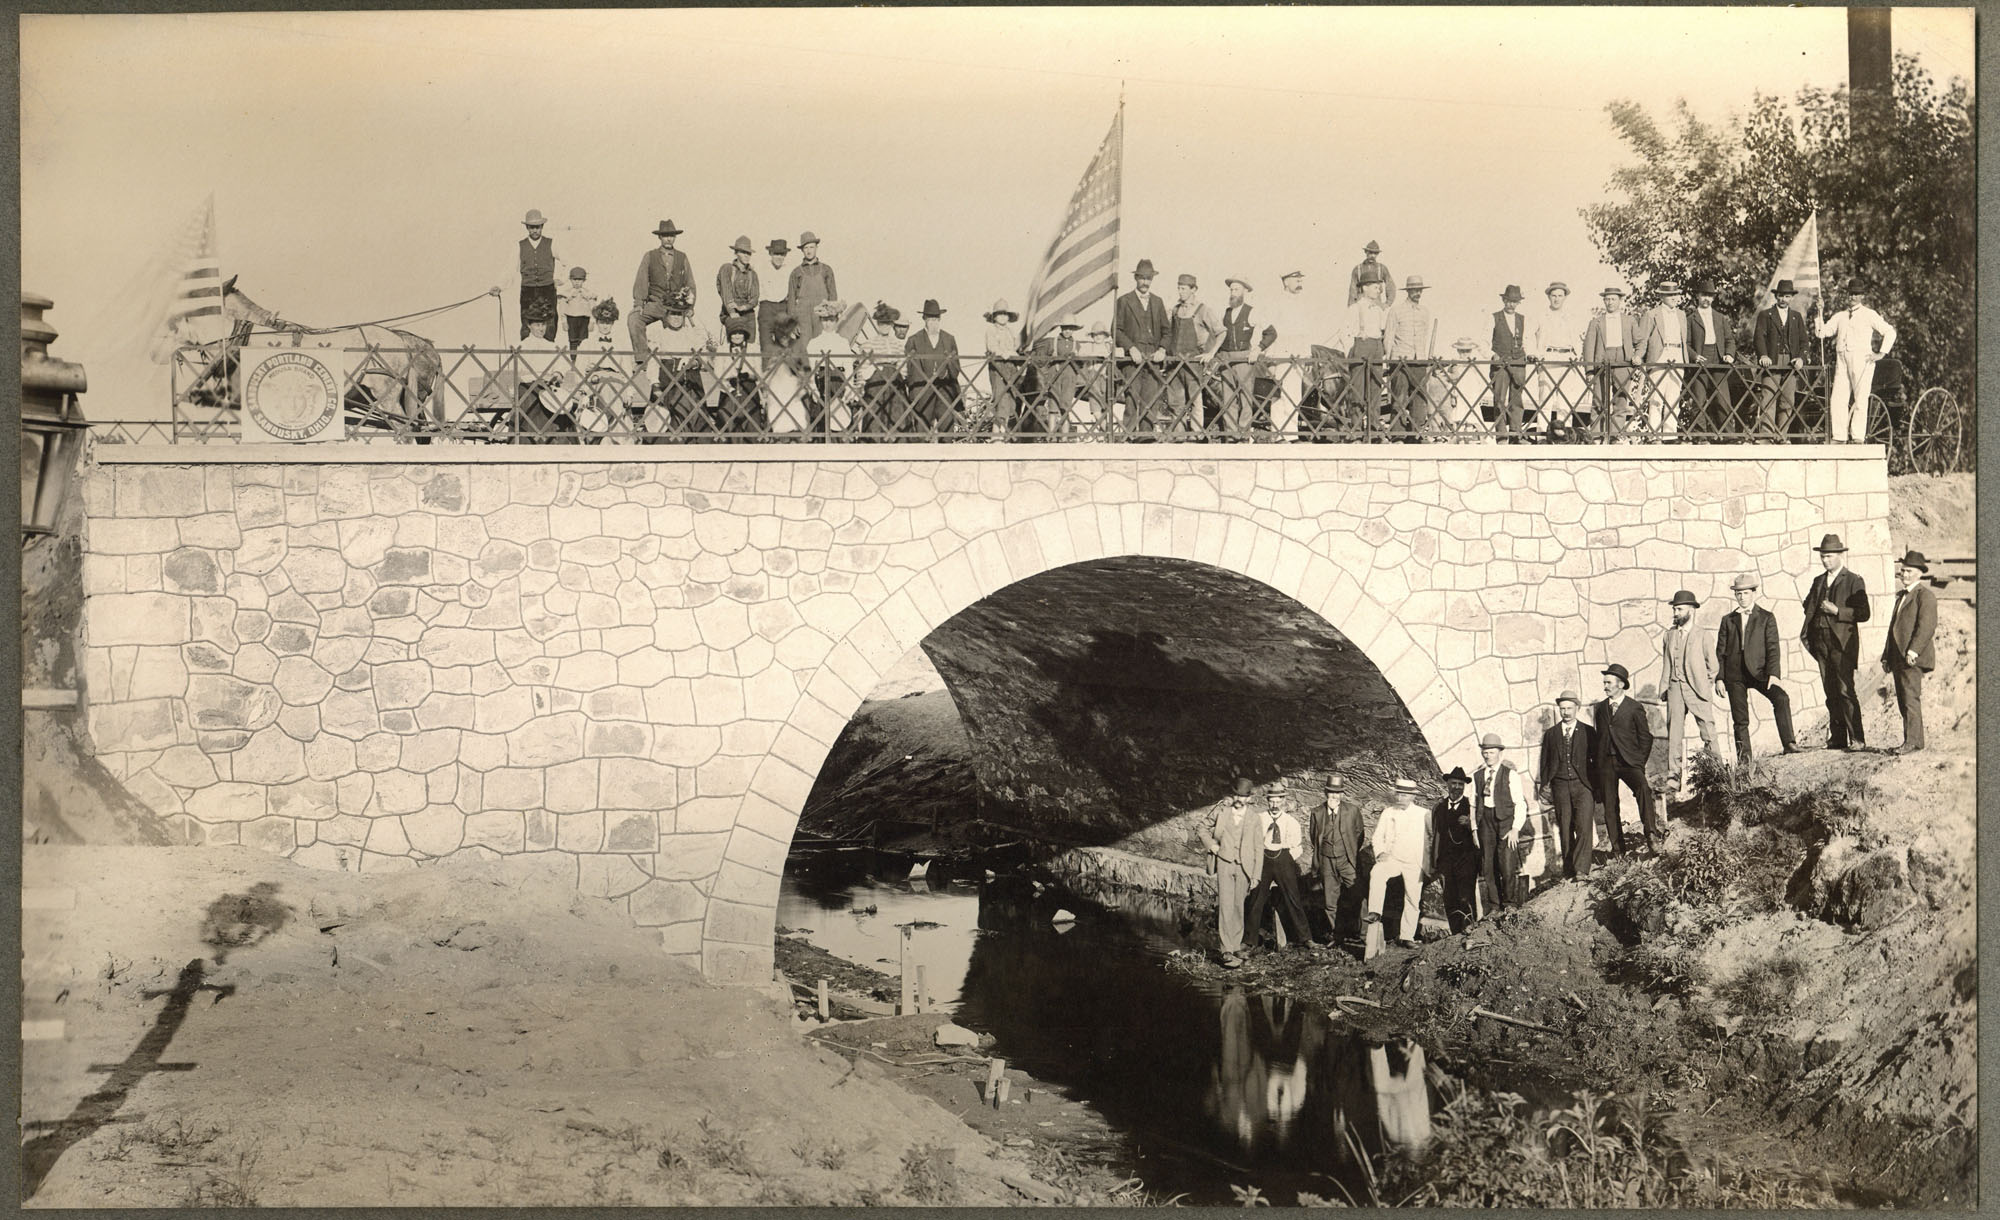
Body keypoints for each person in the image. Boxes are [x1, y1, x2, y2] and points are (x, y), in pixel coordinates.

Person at [1717, 572, 1800, 767]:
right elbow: (1720, 651)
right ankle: (1745, 761)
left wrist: (1773, 674)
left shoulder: (1766, 617)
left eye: (1746, 593)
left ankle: (1789, 743)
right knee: (1740, 719)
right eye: (1738, 594)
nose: (1742, 597)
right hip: (1734, 674)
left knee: (1781, 698)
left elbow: (1773, 647)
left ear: (1754, 593)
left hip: (1760, 672)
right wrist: (1719, 678)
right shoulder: (1727, 620)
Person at [1798, 531, 1872, 750]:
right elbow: (1808, 605)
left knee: (1845, 690)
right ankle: (1837, 738)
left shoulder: (1853, 580)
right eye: (1823, 556)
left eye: (1829, 556)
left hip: (1841, 643)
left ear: (1840, 555)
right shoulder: (1818, 581)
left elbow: (1864, 613)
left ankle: (1857, 739)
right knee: (1830, 691)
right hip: (1820, 642)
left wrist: (1837, 610)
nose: (1825, 559)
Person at [1656, 588, 1724, 793]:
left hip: (1697, 689)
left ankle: (1717, 773)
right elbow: (1666, 663)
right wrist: (1664, 687)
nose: (1675, 613)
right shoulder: (1669, 636)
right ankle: (1673, 777)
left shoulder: (1703, 635)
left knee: (1708, 730)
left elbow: (1713, 666)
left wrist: (1704, 683)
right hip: (1675, 687)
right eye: (1675, 609)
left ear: (1691, 610)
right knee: (1674, 733)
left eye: (1680, 609)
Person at [1200, 777, 1269, 969]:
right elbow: (1201, 828)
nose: (1240, 799)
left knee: (1239, 906)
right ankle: (1226, 950)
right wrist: (1212, 845)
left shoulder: (1254, 818)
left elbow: (1258, 848)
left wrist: (1256, 875)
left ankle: (1236, 945)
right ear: (1233, 795)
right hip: (1224, 863)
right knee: (1225, 905)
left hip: (1244, 867)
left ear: (1250, 798)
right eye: (1237, 795)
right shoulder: (1222, 811)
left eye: (1244, 796)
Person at [1815, 289, 1898, 444]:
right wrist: (1820, 312)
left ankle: (1858, 437)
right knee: (1838, 399)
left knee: (1860, 399)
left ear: (1862, 296)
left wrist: (1881, 353)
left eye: (1856, 294)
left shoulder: (1869, 314)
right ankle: (1839, 437)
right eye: (1850, 293)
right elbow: (1822, 332)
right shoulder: (1840, 316)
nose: (1852, 297)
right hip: (1842, 362)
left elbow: (1889, 332)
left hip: (1862, 362)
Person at [1593, 663, 1658, 855]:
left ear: (1620, 684)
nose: (1605, 686)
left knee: (1644, 790)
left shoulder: (1634, 707)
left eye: (1609, 683)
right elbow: (1599, 737)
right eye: (1604, 682)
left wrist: (1639, 761)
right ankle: (1618, 849)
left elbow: (1645, 737)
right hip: (1606, 764)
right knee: (1610, 805)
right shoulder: (1600, 708)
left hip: (1629, 762)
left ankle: (1651, 836)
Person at [1244, 778, 1313, 953]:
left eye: (1278, 801)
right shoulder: (1258, 819)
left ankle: (1305, 938)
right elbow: (1252, 841)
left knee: (1293, 897)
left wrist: (1287, 858)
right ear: (1267, 801)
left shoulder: (1291, 822)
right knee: (1256, 897)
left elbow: (1297, 846)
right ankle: (1250, 940)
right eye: (1271, 801)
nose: (1275, 805)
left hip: (1283, 857)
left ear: (1283, 801)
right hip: (1264, 858)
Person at [1881, 550, 1937, 755]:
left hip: (1911, 657)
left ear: (1919, 573)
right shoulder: (1901, 597)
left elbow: (1926, 626)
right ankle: (1913, 741)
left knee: (1910, 697)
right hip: (1897, 656)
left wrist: (1913, 651)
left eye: (1908, 571)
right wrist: (1886, 656)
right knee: (1903, 699)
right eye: (1902, 570)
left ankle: (1912, 742)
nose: (1904, 574)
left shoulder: (1925, 596)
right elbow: (1893, 628)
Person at [1537, 691, 1597, 880]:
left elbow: (1596, 760)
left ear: (1577, 708)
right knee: (1564, 827)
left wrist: (1595, 785)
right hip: (1560, 786)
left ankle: (1581, 870)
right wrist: (1545, 786)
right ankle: (1569, 869)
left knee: (1584, 826)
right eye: (1562, 709)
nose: (1566, 712)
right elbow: (1545, 762)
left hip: (1583, 785)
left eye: (1569, 708)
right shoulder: (1551, 734)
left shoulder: (1588, 731)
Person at [1366, 778, 1429, 954]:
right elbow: (1377, 837)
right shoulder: (1388, 812)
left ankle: (1407, 936)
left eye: (1405, 794)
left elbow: (1431, 839)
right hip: (1392, 858)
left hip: (1414, 861)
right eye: (1399, 794)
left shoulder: (1424, 814)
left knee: (1412, 898)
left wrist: (1428, 862)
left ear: (1412, 796)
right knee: (1377, 871)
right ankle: (1375, 912)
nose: (1401, 797)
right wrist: (1380, 853)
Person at [1471, 733, 1533, 911]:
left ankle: (1510, 903)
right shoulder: (1478, 777)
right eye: (1485, 752)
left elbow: (1519, 803)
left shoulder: (1510, 774)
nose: (1487, 755)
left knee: (1506, 864)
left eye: (1491, 752)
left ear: (1499, 753)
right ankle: (1494, 906)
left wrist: (1515, 829)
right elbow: (1473, 805)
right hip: (1485, 824)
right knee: (1488, 866)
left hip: (1505, 822)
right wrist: (1475, 829)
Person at [629, 219, 696, 373]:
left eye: (671, 236)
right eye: (665, 236)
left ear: (675, 237)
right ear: (659, 237)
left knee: (680, 334)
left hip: (675, 306)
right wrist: (639, 303)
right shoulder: (650, 256)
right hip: (655, 303)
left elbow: (690, 283)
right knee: (634, 319)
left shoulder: (682, 257)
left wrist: (690, 306)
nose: (668, 239)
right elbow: (641, 280)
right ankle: (642, 359)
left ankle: (680, 364)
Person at [1112, 259, 1171, 435]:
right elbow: (1115, 329)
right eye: (1142, 278)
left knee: (1151, 397)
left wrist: (1162, 349)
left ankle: (1146, 435)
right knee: (1131, 397)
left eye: (1149, 278)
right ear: (1136, 278)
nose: (1145, 282)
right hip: (1133, 358)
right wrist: (1131, 348)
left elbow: (1167, 331)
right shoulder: (1124, 301)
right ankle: (1128, 434)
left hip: (1153, 357)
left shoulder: (1158, 302)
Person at [1309, 773, 1364, 948]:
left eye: (1337, 792)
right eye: (1331, 792)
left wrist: (1349, 851)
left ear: (1342, 794)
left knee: (1357, 895)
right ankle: (1337, 934)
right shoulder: (1317, 813)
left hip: (1347, 860)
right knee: (1329, 900)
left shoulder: (1352, 811)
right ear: (1325, 793)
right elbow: (1313, 837)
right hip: (1326, 860)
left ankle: (1363, 934)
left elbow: (1359, 834)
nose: (1334, 796)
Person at [1752, 279, 1811, 440]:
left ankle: (1781, 436)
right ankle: (1766, 436)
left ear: (1791, 298)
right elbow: (1759, 338)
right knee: (1768, 397)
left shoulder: (1796, 317)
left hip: (1791, 364)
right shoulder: (1766, 315)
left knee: (1787, 400)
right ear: (1776, 297)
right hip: (1772, 361)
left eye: (1787, 296)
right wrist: (1763, 355)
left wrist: (1800, 358)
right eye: (1781, 296)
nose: (1783, 300)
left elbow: (1804, 342)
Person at [1165, 274, 1222, 435]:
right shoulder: (1175, 310)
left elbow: (1221, 332)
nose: (1180, 291)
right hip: (1174, 363)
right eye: (1178, 288)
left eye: (1183, 288)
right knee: (1176, 401)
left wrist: (1211, 353)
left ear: (1194, 289)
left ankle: (1197, 433)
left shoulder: (1203, 310)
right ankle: (1179, 434)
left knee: (1196, 399)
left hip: (1194, 363)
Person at [1632, 280, 1690, 437]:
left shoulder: (1682, 315)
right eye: (1669, 295)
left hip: (1677, 356)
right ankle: (1654, 435)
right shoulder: (1651, 315)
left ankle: (1670, 435)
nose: (1673, 297)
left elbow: (1685, 339)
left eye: (1675, 294)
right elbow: (1643, 339)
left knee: (1674, 399)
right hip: (1659, 357)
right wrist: (1638, 355)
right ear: (1662, 296)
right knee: (1656, 399)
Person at [1531, 282, 1587, 441]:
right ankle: (1542, 436)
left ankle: (1565, 437)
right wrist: (1536, 354)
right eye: (1554, 295)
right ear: (1549, 296)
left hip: (1567, 359)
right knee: (1545, 400)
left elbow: (1579, 339)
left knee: (1565, 401)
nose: (1556, 299)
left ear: (1565, 297)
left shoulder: (1571, 317)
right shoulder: (1541, 316)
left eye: (1560, 296)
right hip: (1548, 357)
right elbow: (1529, 336)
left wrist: (1577, 355)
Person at [1262, 270, 1314, 438]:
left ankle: (1291, 434)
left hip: (1297, 355)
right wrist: (1271, 357)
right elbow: (1270, 329)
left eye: (1300, 279)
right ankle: (1278, 434)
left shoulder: (1302, 303)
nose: (1299, 282)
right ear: (1285, 282)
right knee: (1278, 395)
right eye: (1295, 279)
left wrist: (1306, 354)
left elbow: (1305, 330)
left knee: (1294, 395)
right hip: (1281, 355)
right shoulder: (1277, 302)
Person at [1337, 277, 1392, 433]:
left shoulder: (1380, 309)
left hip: (1376, 348)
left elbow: (1384, 330)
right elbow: (1344, 332)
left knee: (1375, 389)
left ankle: (1374, 430)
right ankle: (1356, 430)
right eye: (1375, 287)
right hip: (1360, 347)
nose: (1379, 290)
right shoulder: (1355, 308)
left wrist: (1382, 349)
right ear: (1365, 288)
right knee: (1357, 391)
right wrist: (1352, 350)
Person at [1430, 766, 1481, 933]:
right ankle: (1455, 933)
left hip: (1466, 859)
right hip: (1446, 861)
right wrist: (1435, 861)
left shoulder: (1471, 806)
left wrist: (1471, 824)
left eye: (1460, 784)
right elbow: (1436, 834)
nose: (1457, 787)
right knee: (1449, 897)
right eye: (1453, 783)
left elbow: (1481, 830)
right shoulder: (1439, 807)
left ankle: (1469, 929)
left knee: (1465, 895)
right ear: (1447, 784)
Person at [1212, 279, 1264, 440]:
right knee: (1228, 397)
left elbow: (1271, 333)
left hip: (1244, 358)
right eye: (1231, 290)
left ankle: (1244, 433)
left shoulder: (1252, 311)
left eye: (1236, 290)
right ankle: (1231, 433)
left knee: (1246, 397)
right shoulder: (1226, 313)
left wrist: (1258, 348)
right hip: (1226, 359)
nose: (1233, 293)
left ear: (1245, 292)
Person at [1384, 276, 1435, 438]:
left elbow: (1425, 336)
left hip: (1418, 360)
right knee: (1399, 395)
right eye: (1414, 290)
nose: (1417, 293)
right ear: (1408, 291)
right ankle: (1398, 434)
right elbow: (1389, 337)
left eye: (1420, 290)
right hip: (1400, 359)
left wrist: (1426, 359)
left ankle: (1416, 434)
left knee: (1420, 397)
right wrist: (1390, 361)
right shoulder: (1396, 311)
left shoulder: (1424, 312)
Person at [1582, 286, 1636, 440]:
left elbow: (1640, 341)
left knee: (1621, 400)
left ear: (1620, 301)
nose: (1610, 302)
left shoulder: (1629, 320)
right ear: (1604, 301)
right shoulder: (1596, 322)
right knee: (1599, 400)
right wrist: (1589, 371)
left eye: (1613, 299)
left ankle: (1616, 436)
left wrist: (1637, 356)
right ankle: (1597, 436)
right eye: (1607, 299)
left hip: (1623, 363)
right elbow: (1589, 348)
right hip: (1602, 363)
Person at [1685, 280, 1738, 432]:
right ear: (1698, 296)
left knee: (1723, 399)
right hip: (1700, 360)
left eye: (1709, 296)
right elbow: (1686, 343)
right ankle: (1699, 435)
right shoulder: (1690, 318)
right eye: (1703, 295)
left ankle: (1728, 435)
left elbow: (1729, 340)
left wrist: (1729, 354)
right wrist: (1694, 356)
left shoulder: (1720, 318)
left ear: (1713, 298)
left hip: (1719, 359)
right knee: (1699, 399)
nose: (1706, 299)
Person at [904, 298, 962, 436]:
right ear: (924, 319)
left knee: (947, 425)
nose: (934, 322)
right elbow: (911, 370)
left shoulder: (949, 339)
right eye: (931, 319)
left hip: (945, 389)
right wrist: (923, 384)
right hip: (923, 389)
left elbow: (956, 365)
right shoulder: (914, 340)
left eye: (936, 319)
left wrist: (946, 374)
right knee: (922, 427)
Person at [853, 302, 908, 437]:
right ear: (877, 324)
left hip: (894, 383)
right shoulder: (868, 343)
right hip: (876, 383)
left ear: (891, 325)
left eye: (888, 324)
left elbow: (903, 367)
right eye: (882, 324)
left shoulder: (898, 345)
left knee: (896, 415)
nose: (885, 327)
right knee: (875, 415)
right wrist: (860, 387)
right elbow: (863, 368)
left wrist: (904, 380)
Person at [1027, 315, 1084, 436]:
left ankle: (1064, 436)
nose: (1067, 331)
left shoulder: (1077, 345)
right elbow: (1040, 356)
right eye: (1065, 328)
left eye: (1070, 328)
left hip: (1069, 376)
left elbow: (1082, 364)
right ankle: (1051, 435)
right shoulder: (1051, 342)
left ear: (1074, 329)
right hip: (1055, 375)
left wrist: (1077, 358)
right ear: (1061, 328)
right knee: (1053, 406)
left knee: (1066, 407)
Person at [804, 301, 854, 436]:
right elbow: (810, 368)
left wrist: (849, 388)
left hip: (838, 382)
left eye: (831, 320)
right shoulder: (814, 343)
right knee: (821, 419)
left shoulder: (842, 342)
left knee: (839, 418)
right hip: (821, 383)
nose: (827, 324)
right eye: (824, 320)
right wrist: (813, 388)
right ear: (820, 321)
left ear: (836, 320)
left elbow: (848, 366)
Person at [786, 231, 838, 358]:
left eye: (811, 247)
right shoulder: (796, 272)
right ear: (802, 250)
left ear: (816, 248)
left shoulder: (826, 270)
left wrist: (831, 316)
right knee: (804, 345)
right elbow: (791, 298)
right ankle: (806, 376)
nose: (809, 251)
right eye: (806, 248)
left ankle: (823, 376)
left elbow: (833, 295)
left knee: (822, 345)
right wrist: (793, 323)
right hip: (802, 313)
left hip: (821, 313)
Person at [1489, 285, 1532, 441]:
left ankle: (1515, 434)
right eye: (1509, 301)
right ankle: (1501, 436)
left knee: (1517, 399)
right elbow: (1483, 340)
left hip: (1518, 362)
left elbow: (1526, 340)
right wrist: (1492, 354)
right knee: (1499, 399)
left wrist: (1529, 353)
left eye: (1515, 301)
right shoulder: (1494, 317)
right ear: (1503, 300)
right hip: (1500, 362)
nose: (1512, 305)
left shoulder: (1522, 319)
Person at [514, 208, 562, 342]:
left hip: (547, 289)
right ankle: (526, 358)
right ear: (527, 228)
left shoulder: (552, 243)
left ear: (542, 227)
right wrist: (499, 286)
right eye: (531, 227)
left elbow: (568, 261)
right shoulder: (519, 246)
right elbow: (509, 269)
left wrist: (561, 280)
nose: (535, 230)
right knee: (526, 324)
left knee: (549, 323)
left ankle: (548, 356)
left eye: (537, 227)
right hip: (527, 290)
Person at [982, 299, 1026, 438]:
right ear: (994, 316)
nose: (1003, 317)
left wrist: (1013, 354)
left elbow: (1015, 348)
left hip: (1010, 367)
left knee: (1010, 399)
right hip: (997, 367)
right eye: (999, 314)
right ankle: (996, 434)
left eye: (1005, 314)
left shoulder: (1010, 331)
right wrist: (1003, 353)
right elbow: (992, 347)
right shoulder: (991, 330)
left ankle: (1004, 432)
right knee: (1000, 397)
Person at [756, 238, 793, 364]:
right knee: (766, 345)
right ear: (770, 254)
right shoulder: (761, 268)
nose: (779, 257)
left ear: (785, 255)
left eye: (781, 254)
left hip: (783, 307)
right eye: (776, 254)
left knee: (784, 345)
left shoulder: (790, 270)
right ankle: (765, 379)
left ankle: (782, 379)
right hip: (766, 307)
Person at [1440, 336, 1486, 436]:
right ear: (1458, 351)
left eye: (1467, 351)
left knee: (1472, 413)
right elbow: (1452, 378)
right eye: (1462, 351)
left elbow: (1479, 380)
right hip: (1461, 392)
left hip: (1472, 392)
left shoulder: (1474, 363)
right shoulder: (1455, 363)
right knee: (1460, 413)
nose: (1465, 354)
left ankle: (1470, 431)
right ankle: (1459, 433)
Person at [716, 236, 761, 337]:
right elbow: (726, 292)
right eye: (743, 252)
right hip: (730, 310)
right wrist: (732, 311)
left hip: (748, 312)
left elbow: (755, 298)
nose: (746, 256)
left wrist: (743, 307)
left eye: (748, 253)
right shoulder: (727, 269)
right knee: (736, 339)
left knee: (750, 342)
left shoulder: (752, 274)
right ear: (736, 253)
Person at [557, 266, 598, 351]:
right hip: (571, 319)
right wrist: (564, 321)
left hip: (584, 319)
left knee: (583, 341)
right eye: (574, 279)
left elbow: (593, 308)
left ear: (584, 281)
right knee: (573, 340)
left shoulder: (588, 293)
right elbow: (562, 308)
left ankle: (582, 361)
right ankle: (573, 360)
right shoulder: (566, 293)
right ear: (570, 280)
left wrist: (592, 322)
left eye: (579, 280)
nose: (577, 282)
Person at [1347, 240, 1394, 306]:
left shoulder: (1382, 268)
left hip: (1376, 302)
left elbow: (1390, 286)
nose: (1373, 255)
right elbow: (1352, 290)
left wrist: (1387, 303)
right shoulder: (1357, 269)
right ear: (1366, 252)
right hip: (1361, 302)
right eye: (1370, 253)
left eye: (1375, 253)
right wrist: (1351, 307)